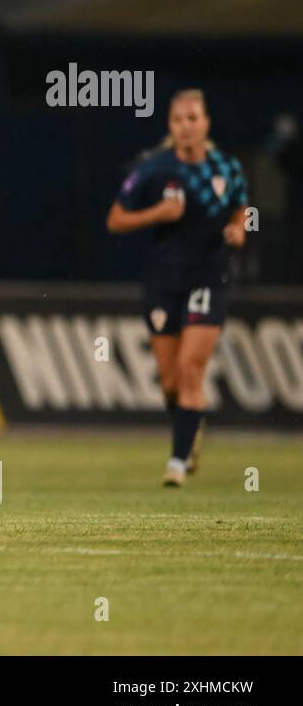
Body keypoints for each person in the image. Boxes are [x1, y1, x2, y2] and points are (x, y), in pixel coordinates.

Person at [106, 90, 249, 487]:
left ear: (206, 123)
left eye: (192, 118)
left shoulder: (227, 168)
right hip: (163, 281)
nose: (185, 126)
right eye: (177, 119)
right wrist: (157, 214)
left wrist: (240, 229)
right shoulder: (153, 170)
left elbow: (243, 207)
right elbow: (115, 219)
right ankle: (190, 430)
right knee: (169, 382)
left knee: (190, 371)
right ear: (169, 126)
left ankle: (177, 463)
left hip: (209, 277)